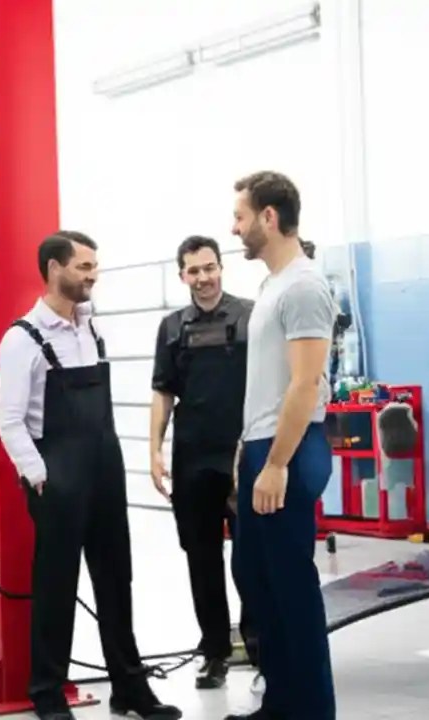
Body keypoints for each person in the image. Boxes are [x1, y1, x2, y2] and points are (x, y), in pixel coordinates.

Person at [0, 230, 182, 720]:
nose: (92, 275)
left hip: (104, 469)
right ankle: (47, 693)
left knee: (117, 580)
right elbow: (9, 419)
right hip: (57, 476)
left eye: (94, 266)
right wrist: (38, 475)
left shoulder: (89, 330)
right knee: (56, 587)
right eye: (83, 266)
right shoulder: (22, 339)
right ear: (54, 269)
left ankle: (130, 688)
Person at [225, 171, 337, 720]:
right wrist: (247, 449)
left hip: (288, 449)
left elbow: (305, 384)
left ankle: (311, 711)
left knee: (290, 586)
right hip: (263, 446)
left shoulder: (304, 287)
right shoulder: (274, 285)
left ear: (269, 217)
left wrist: (274, 463)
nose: (234, 227)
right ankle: (281, 703)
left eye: (241, 216)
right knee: (256, 577)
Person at [149, 235, 257, 690]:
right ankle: (214, 653)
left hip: (243, 456)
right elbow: (163, 392)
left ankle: (261, 648)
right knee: (202, 560)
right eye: (193, 270)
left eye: (209, 267)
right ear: (182, 276)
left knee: (253, 559)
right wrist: (154, 450)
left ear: (221, 268)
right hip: (192, 459)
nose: (203, 277)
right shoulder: (172, 327)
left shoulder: (251, 316)